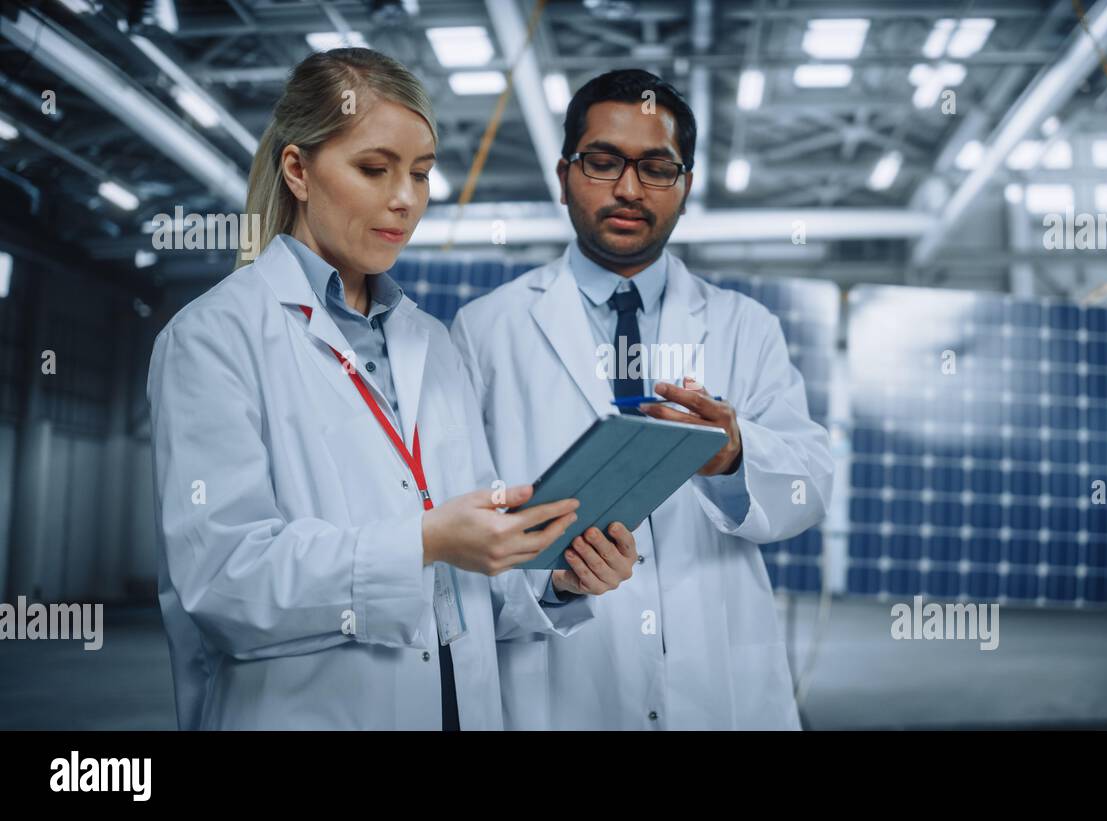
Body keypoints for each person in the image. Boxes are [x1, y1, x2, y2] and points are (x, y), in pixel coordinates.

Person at [147, 48, 636, 730]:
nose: (405, 199)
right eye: (374, 169)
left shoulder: (432, 344)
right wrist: (423, 541)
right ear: (298, 170)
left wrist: (555, 576)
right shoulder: (212, 338)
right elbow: (225, 581)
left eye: (422, 173)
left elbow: (461, 589)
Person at [450, 69, 833, 730]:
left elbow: (809, 486)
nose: (628, 188)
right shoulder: (485, 332)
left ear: (685, 184)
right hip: (563, 679)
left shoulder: (744, 325)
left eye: (657, 166)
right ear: (565, 171)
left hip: (719, 685)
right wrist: (553, 582)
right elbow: (462, 526)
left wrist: (734, 455)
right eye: (603, 162)